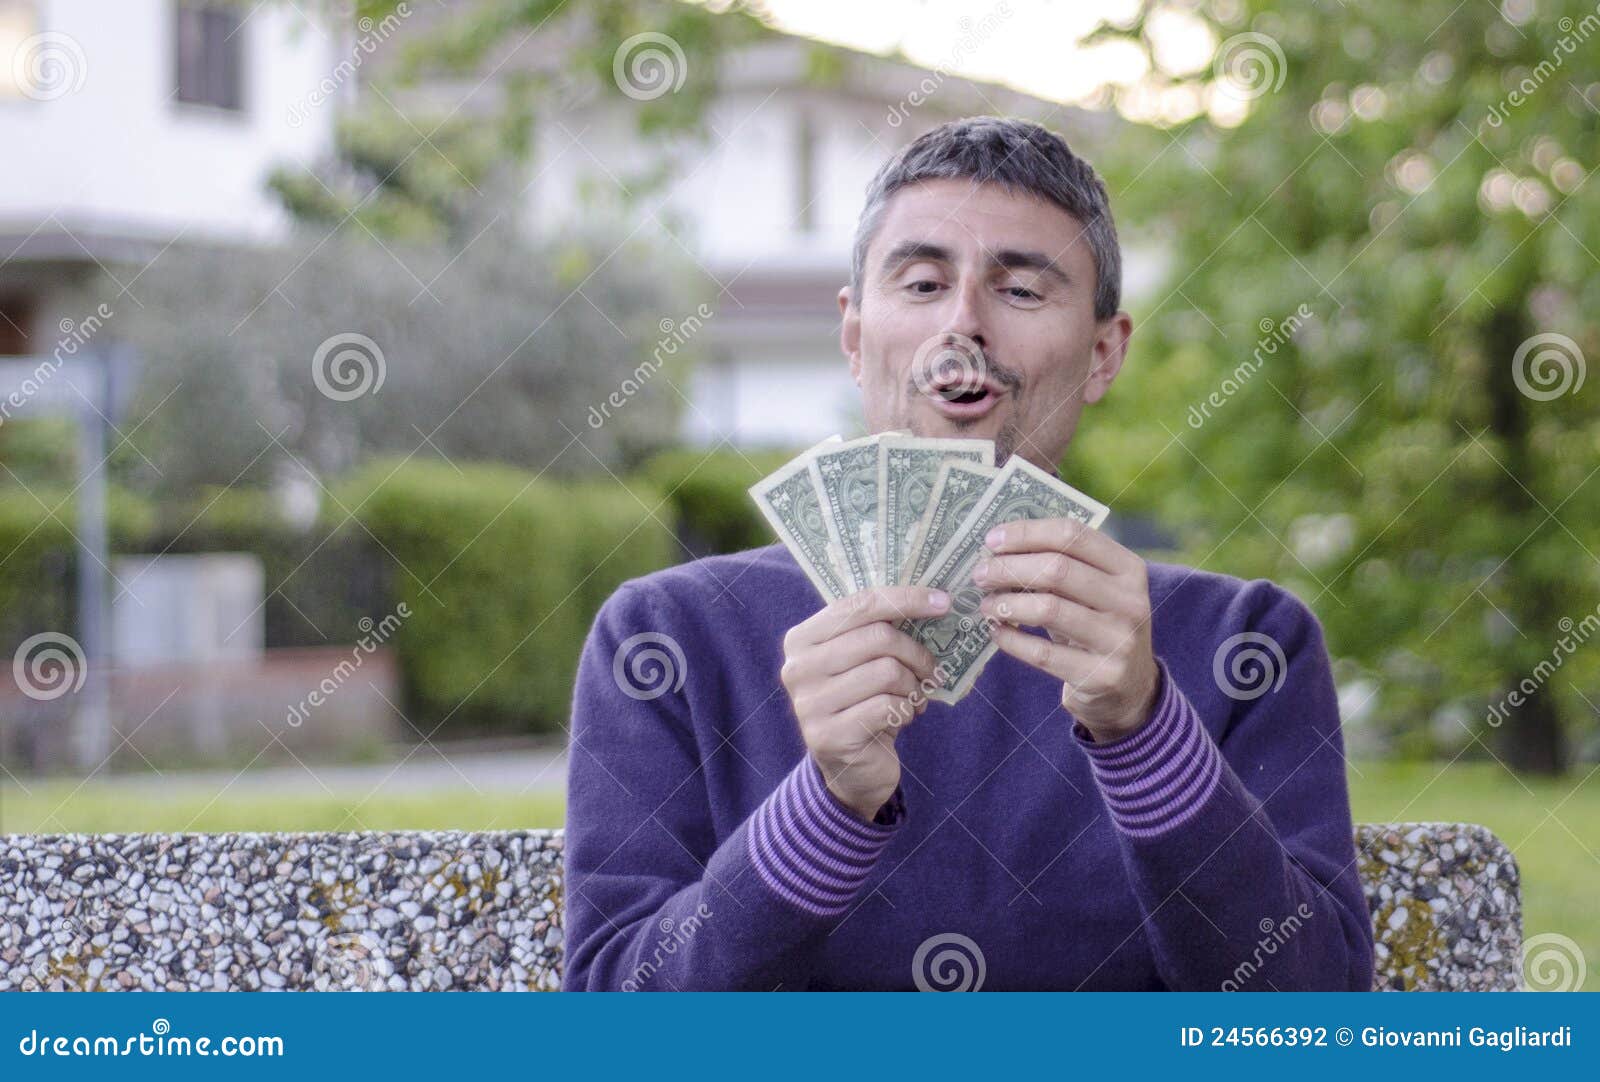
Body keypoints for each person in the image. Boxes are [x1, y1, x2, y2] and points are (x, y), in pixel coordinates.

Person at [562, 115, 1375, 991]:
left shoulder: (1249, 641)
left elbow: (1313, 1016)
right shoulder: (666, 637)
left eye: (1020, 291)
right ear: (853, 336)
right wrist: (826, 805)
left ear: (1103, 355)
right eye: (922, 283)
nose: (963, 326)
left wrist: (1144, 732)